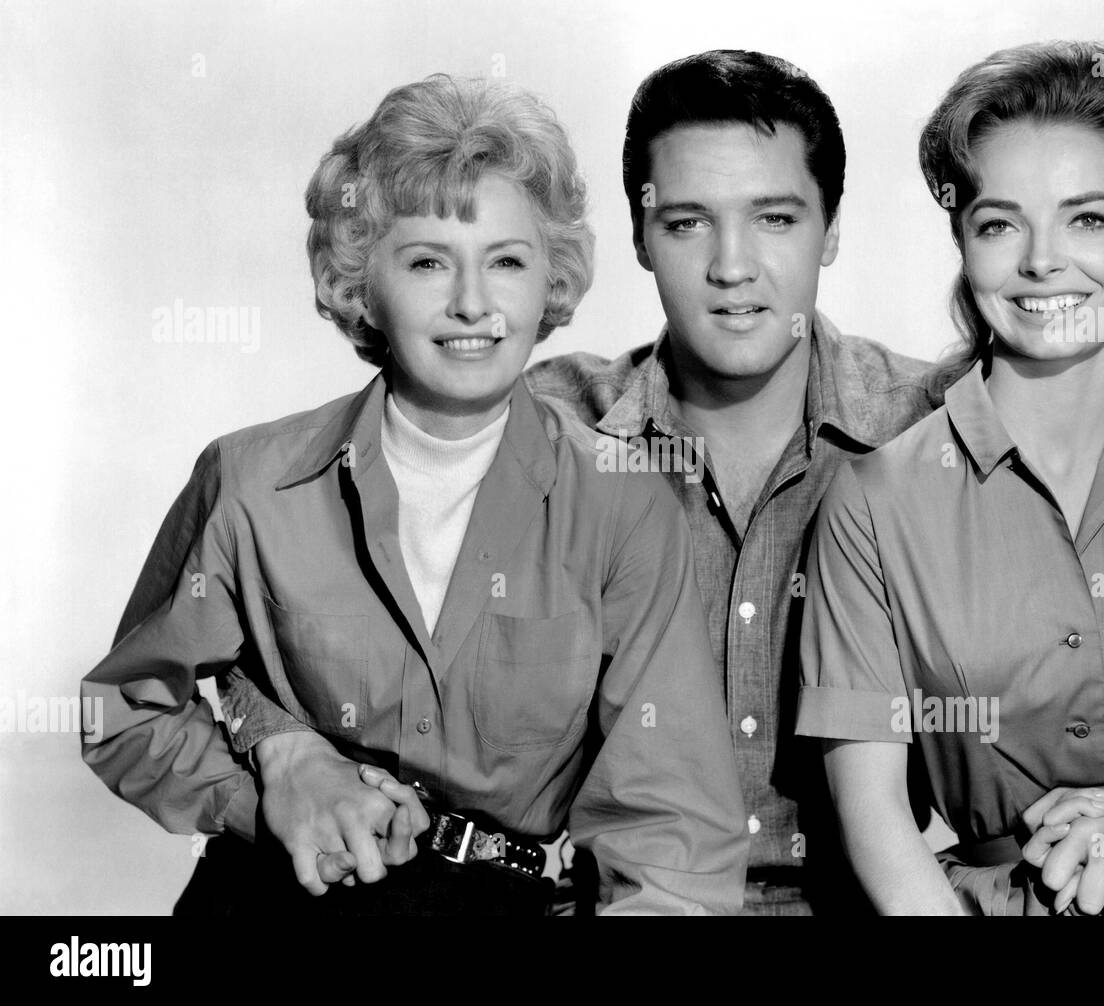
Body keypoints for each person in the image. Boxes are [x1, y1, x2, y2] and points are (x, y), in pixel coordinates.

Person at [225, 50, 1104, 915]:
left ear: (832, 228)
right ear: (636, 234)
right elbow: (273, 620)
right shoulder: (541, 424)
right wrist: (283, 752)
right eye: (686, 224)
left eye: (773, 220)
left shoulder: (941, 437)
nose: (732, 266)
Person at [80, 73, 748, 916]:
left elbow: (672, 831)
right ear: (362, 282)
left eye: (506, 261)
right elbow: (123, 712)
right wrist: (266, 791)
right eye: (429, 261)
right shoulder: (251, 482)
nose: (473, 303)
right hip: (270, 900)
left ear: (552, 280)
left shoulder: (622, 506)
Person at [797, 40, 1104, 915]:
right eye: (1000, 223)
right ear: (963, 241)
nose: (1041, 261)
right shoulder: (874, 503)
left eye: (1088, 219)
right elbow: (873, 815)